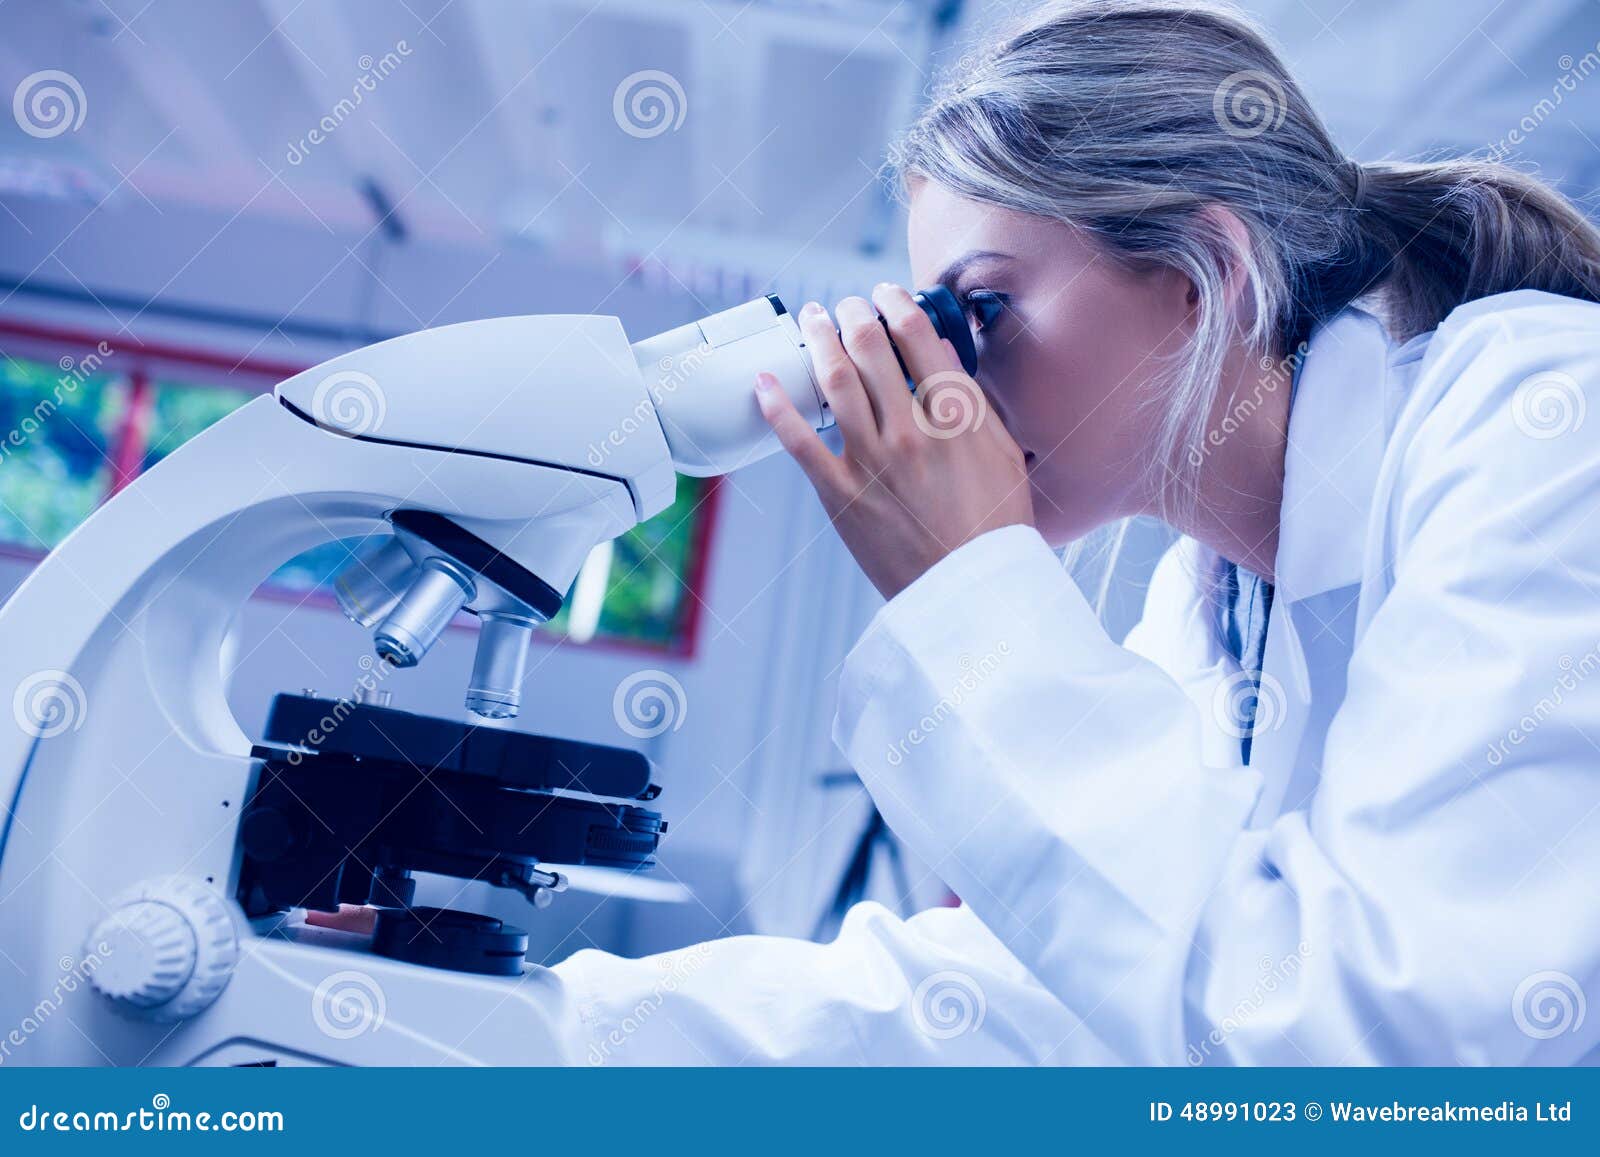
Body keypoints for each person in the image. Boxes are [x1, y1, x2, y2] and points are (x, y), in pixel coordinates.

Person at [328, 0, 1600, 1065]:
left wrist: (966, 581)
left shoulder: (1545, 420)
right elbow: (1026, 1003)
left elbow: (1409, 1047)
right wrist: (518, 1027)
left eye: (981, 306)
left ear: (1204, 268)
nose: (948, 365)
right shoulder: (1209, 608)